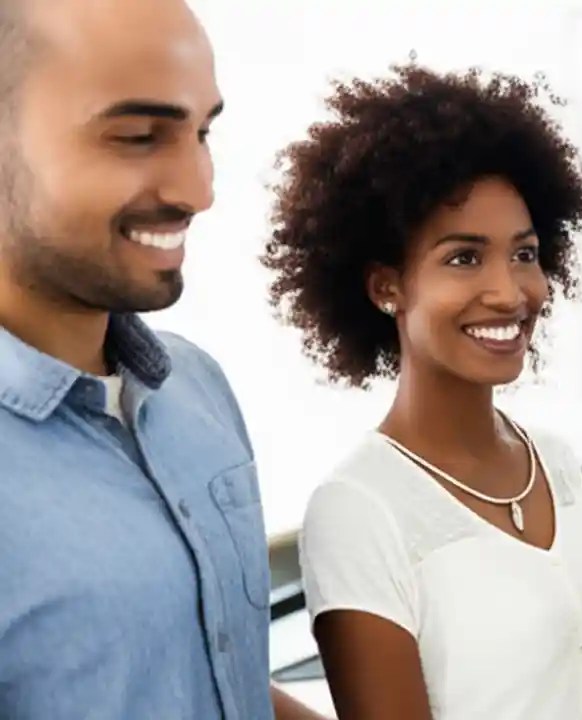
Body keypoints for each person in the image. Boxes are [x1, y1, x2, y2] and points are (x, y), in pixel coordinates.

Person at [262, 63, 582, 720]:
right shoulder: (359, 511)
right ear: (385, 287)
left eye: (523, 253)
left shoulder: (556, 462)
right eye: (463, 257)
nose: (511, 291)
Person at [0, 0, 325, 718]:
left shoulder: (195, 389)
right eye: (140, 136)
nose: (198, 190)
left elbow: (197, 678)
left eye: (202, 131)